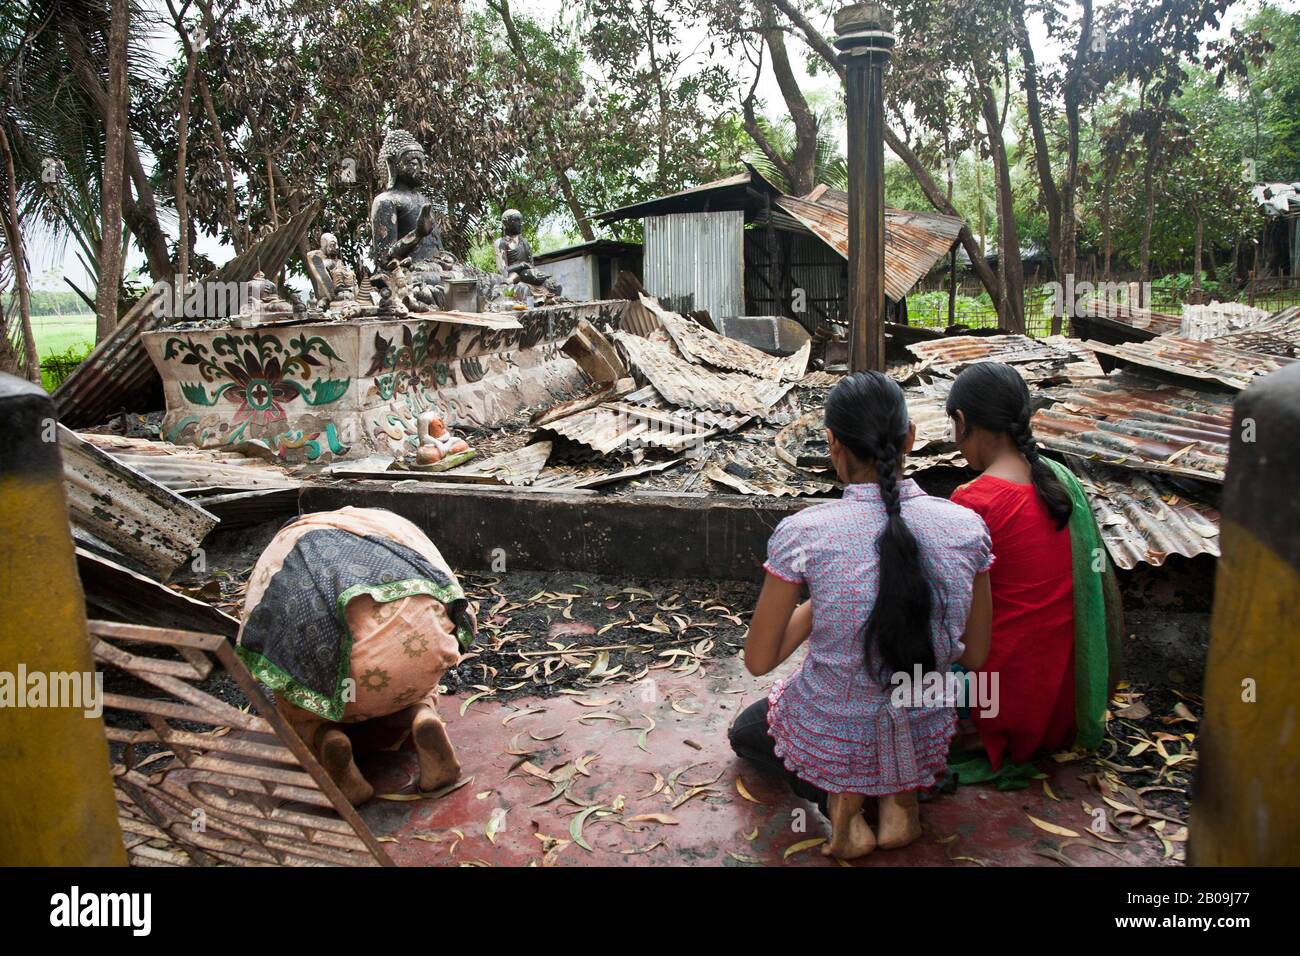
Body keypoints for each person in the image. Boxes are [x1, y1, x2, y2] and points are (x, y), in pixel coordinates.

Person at [729, 372, 993, 859]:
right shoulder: (967, 527)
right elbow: (975, 656)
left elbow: (759, 660)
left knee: (746, 732)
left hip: (835, 727)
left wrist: (824, 601)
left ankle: (842, 804)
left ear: (832, 443)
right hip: (925, 720)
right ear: (911, 437)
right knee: (905, 705)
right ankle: (900, 801)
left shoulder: (805, 532)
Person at [945, 362, 1119, 778]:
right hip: (1062, 697)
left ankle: (971, 727)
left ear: (963, 421)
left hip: (1001, 699)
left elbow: (949, 611)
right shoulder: (1059, 481)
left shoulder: (974, 500)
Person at [237, 507, 476, 805]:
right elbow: (452, 595)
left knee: (294, 702)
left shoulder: (282, 551)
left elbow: (257, 640)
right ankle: (420, 712)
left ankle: (323, 734)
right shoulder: (392, 530)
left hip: (342, 680)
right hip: (414, 652)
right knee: (414, 680)